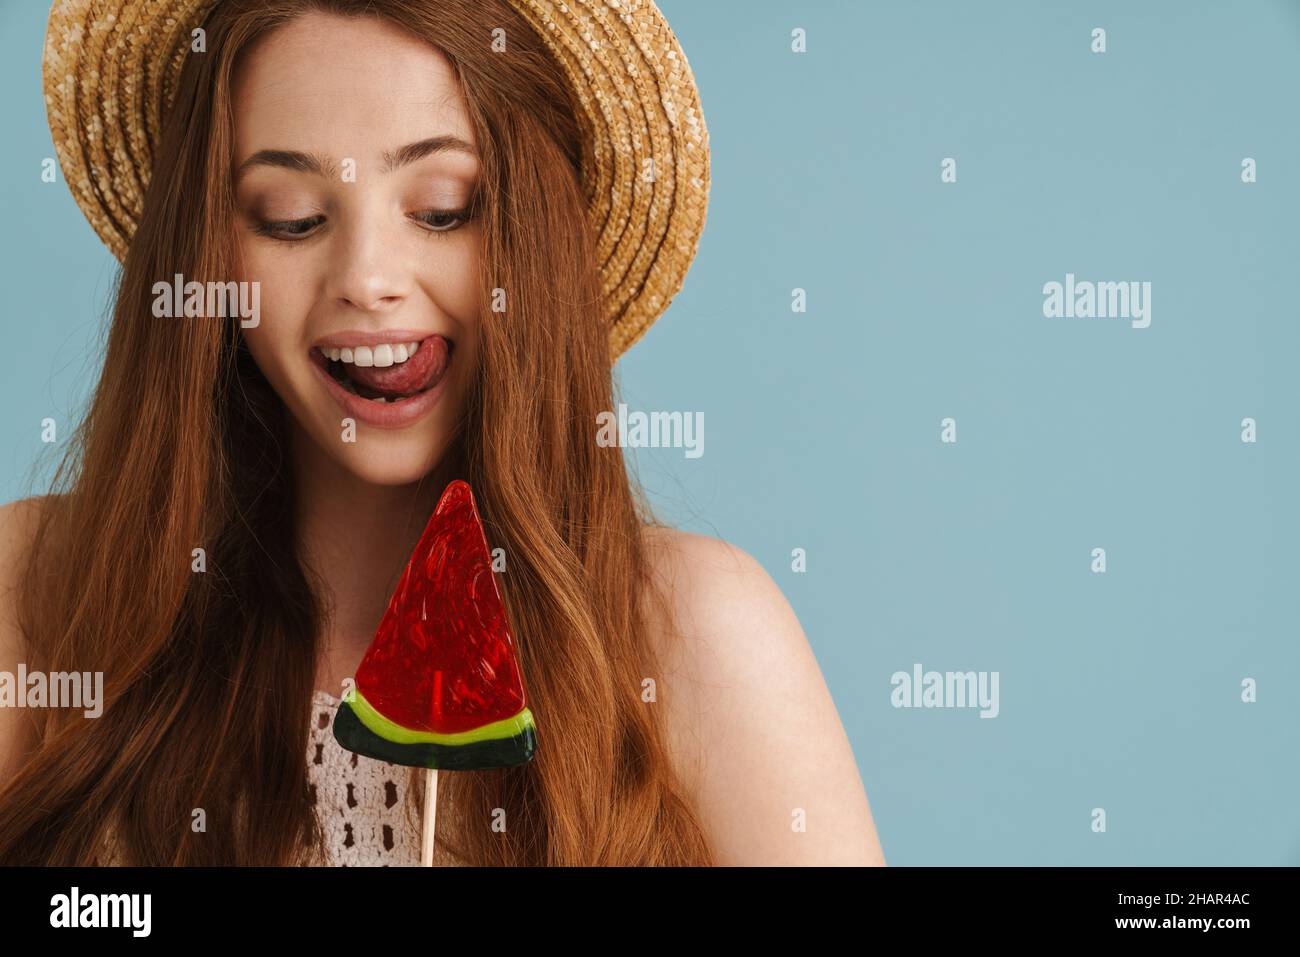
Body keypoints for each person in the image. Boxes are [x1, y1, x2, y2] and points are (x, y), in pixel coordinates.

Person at [0, 0, 886, 866]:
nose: (368, 279)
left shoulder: (700, 634)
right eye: (291, 217)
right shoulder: (35, 588)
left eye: (441, 206)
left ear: (533, 235)